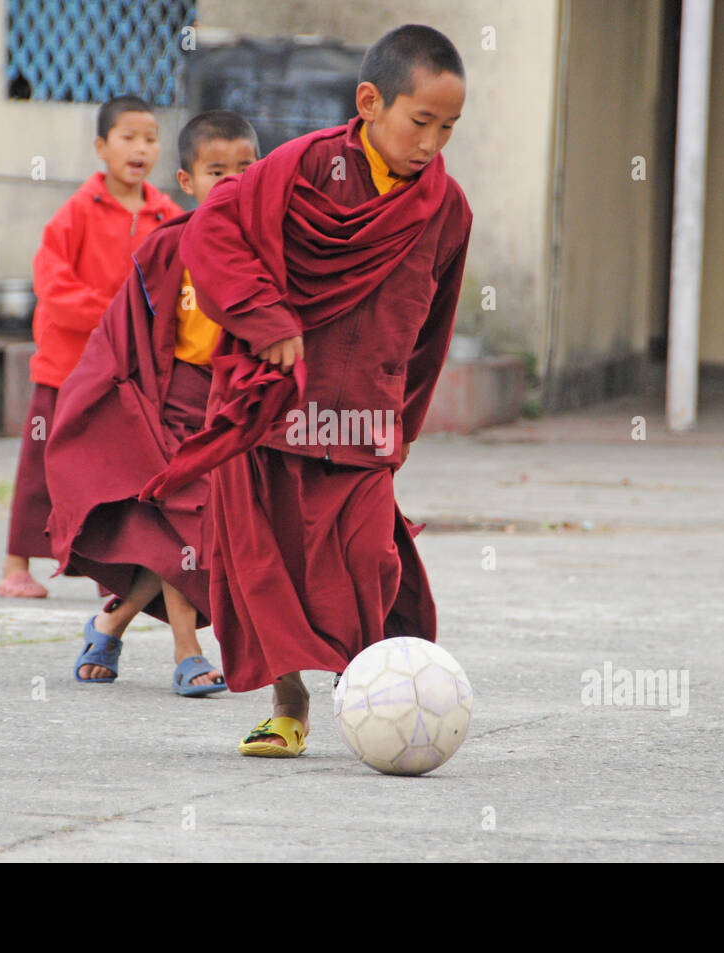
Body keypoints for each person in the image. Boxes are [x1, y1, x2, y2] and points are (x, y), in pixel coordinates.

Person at [156, 24, 472, 754]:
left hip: (363, 418)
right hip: (275, 407)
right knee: (271, 566)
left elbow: (435, 325)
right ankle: (289, 701)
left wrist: (409, 420)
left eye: (448, 128)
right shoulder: (300, 169)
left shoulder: (444, 208)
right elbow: (213, 232)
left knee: (370, 562)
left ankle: (367, 699)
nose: (430, 144)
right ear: (369, 101)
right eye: (419, 121)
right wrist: (263, 317)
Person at [44, 111, 260, 694]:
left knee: (192, 532)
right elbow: (124, 339)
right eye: (218, 171)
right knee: (187, 525)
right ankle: (187, 652)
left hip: (231, 407)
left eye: (247, 168)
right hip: (172, 403)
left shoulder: (268, 250)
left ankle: (110, 622)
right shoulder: (171, 248)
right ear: (187, 183)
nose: (234, 181)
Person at [0, 96, 183, 598]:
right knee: (41, 466)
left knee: (117, 474)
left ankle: (113, 572)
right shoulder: (75, 213)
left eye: (150, 137)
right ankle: (18, 565)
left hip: (127, 376)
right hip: (65, 368)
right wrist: (117, 314)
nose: (140, 147)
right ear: (102, 147)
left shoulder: (167, 217)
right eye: (128, 137)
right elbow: (54, 288)